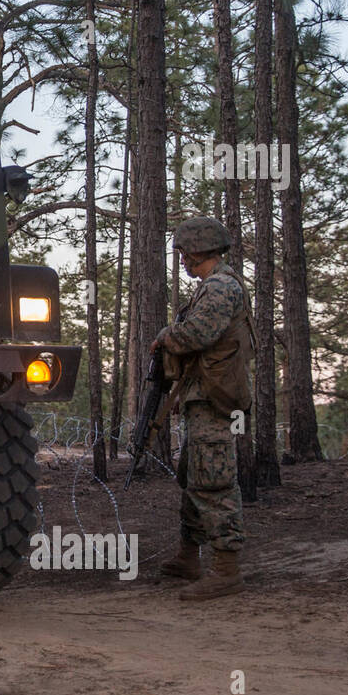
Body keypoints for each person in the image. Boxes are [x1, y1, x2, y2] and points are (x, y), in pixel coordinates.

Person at [151, 217, 255, 600]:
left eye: (182, 252)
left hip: (215, 398)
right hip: (203, 394)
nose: (180, 259)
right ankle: (188, 557)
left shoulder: (220, 287)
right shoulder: (210, 287)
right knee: (193, 476)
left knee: (213, 480)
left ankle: (226, 569)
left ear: (196, 250)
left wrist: (166, 336)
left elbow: (198, 334)